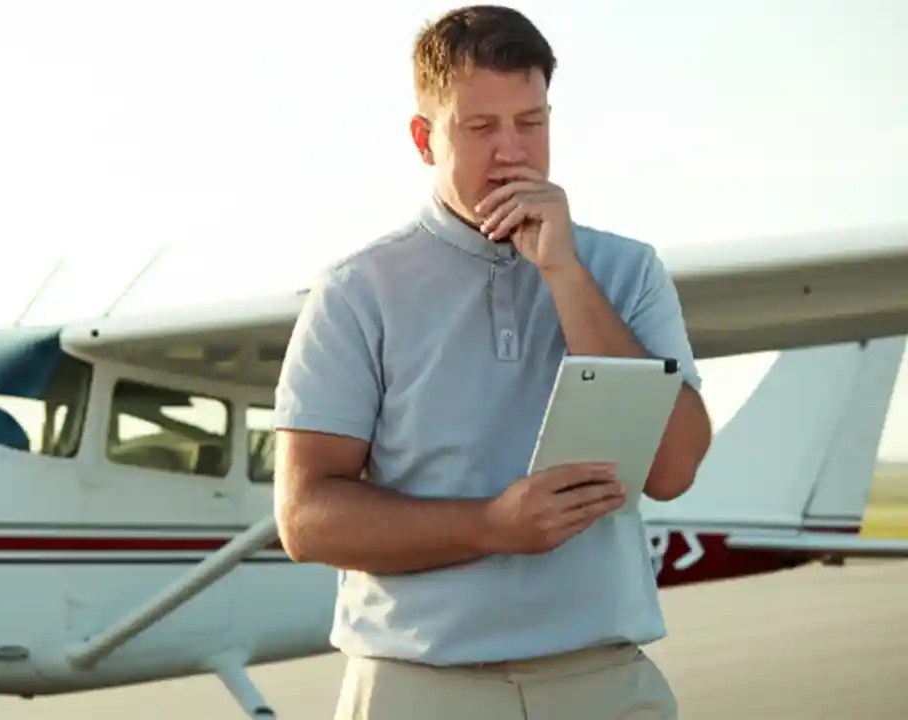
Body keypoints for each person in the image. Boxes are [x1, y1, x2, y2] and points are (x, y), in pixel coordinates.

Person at [271, 5, 713, 719]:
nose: (512, 152)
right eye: (481, 128)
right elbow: (306, 518)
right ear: (424, 138)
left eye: (530, 123)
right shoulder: (356, 291)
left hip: (601, 681)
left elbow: (674, 469)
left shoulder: (626, 270)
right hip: (415, 687)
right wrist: (490, 525)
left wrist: (565, 274)